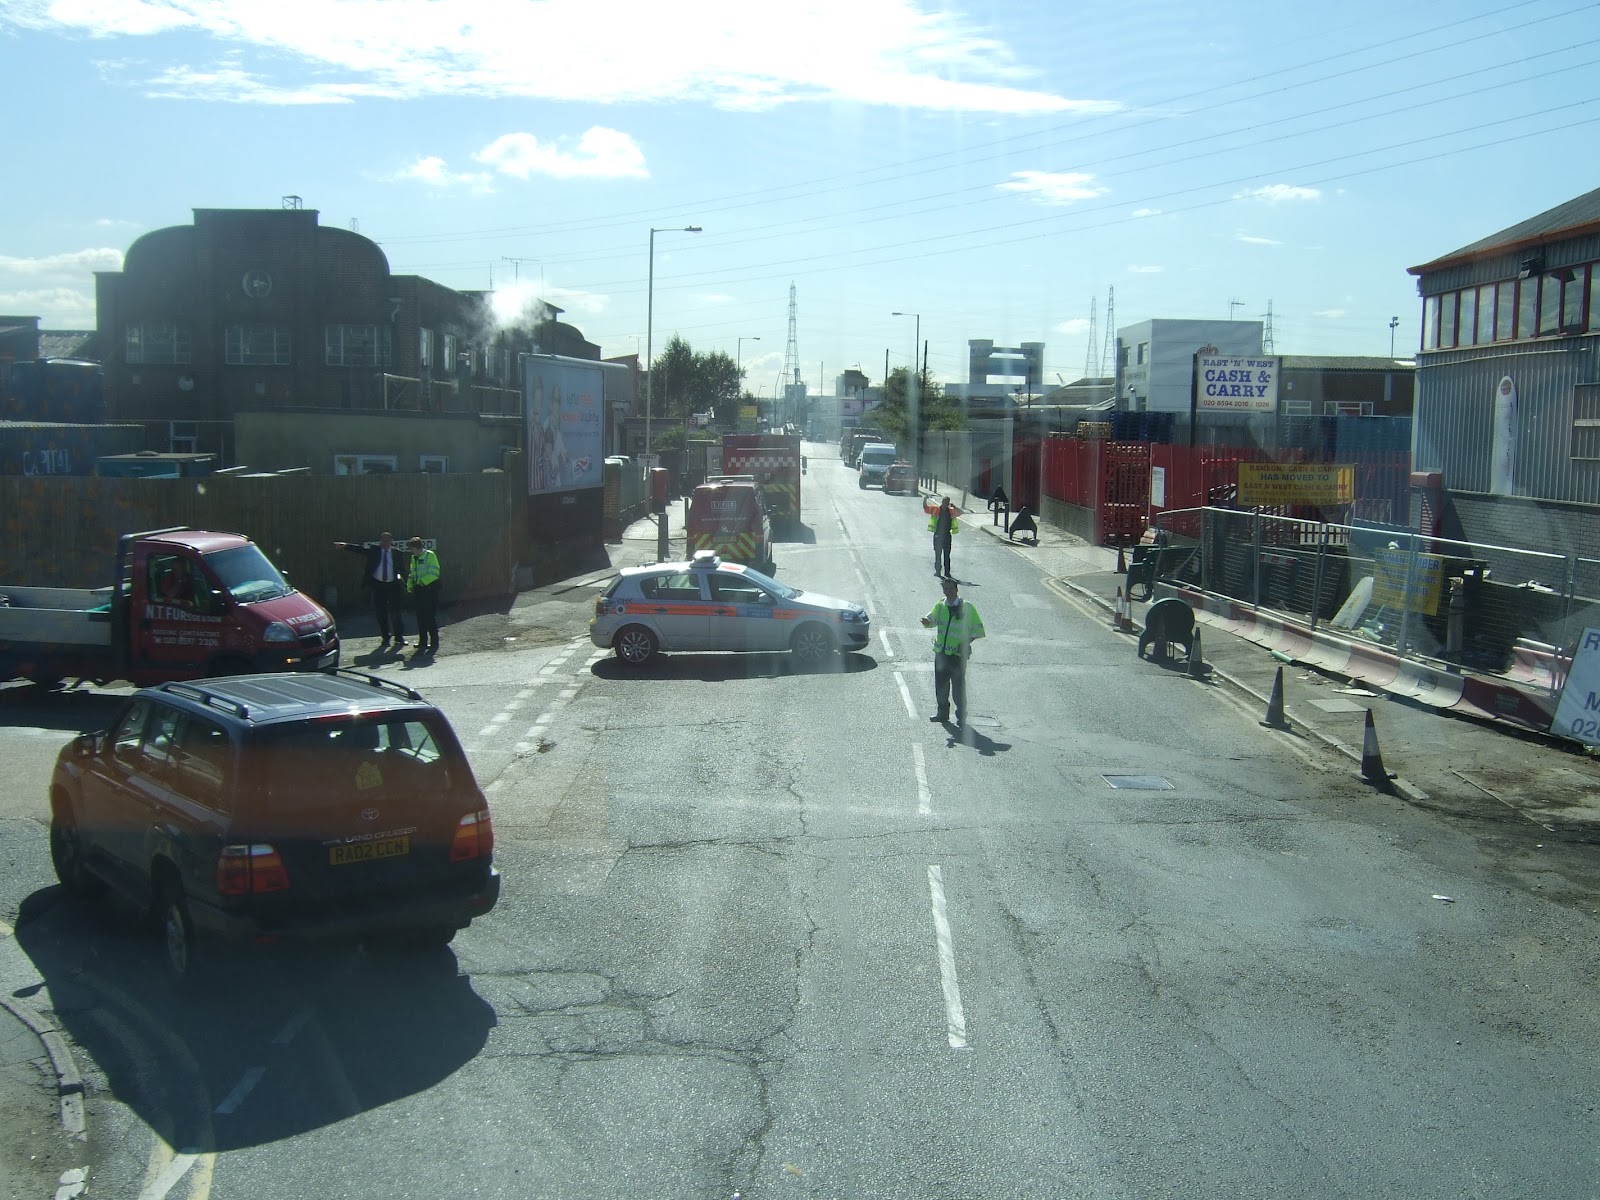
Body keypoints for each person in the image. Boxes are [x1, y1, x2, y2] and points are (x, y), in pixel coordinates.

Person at [919, 575, 985, 729]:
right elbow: (932, 619)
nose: (947, 591)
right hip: (941, 653)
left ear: (956, 589)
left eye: (949, 589)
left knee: (958, 688)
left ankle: (961, 716)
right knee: (940, 686)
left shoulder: (967, 607)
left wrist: (965, 643)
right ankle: (942, 714)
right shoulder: (941, 605)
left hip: (957, 656)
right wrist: (927, 622)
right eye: (945, 589)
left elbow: (977, 630)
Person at [334, 532, 409, 648]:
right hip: (379, 586)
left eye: (387, 541)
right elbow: (361, 550)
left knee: (396, 613)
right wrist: (345, 546)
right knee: (381, 613)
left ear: (391, 541)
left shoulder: (397, 553)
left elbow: (402, 569)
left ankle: (399, 637)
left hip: (393, 586)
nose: (385, 543)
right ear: (380, 541)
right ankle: (386, 637)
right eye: (383, 541)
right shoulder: (375, 550)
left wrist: (407, 584)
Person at [404, 535, 442, 657]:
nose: (411, 551)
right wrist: (410, 585)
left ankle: (434, 642)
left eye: (412, 548)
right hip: (418, 590)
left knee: (429, 617)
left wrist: (423, 581)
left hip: (429, 590)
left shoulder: (429, 555)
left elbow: (434, 572)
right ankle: (423, 642)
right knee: (420, 617)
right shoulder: (413, 558)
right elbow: (412, 573)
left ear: (417, 547)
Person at [928, 496, 960, 578]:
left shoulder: (951, 511)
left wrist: (955, 506)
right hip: (938, 535)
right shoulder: (936, 509)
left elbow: (961, 512)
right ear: (942, 502)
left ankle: (947, 572)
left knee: (947, 555)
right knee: (938, 554)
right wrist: (925, 500)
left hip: (947, 536)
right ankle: (938, 571)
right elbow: (925, 508)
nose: (946, 504)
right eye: (945, 502)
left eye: (947, 502)